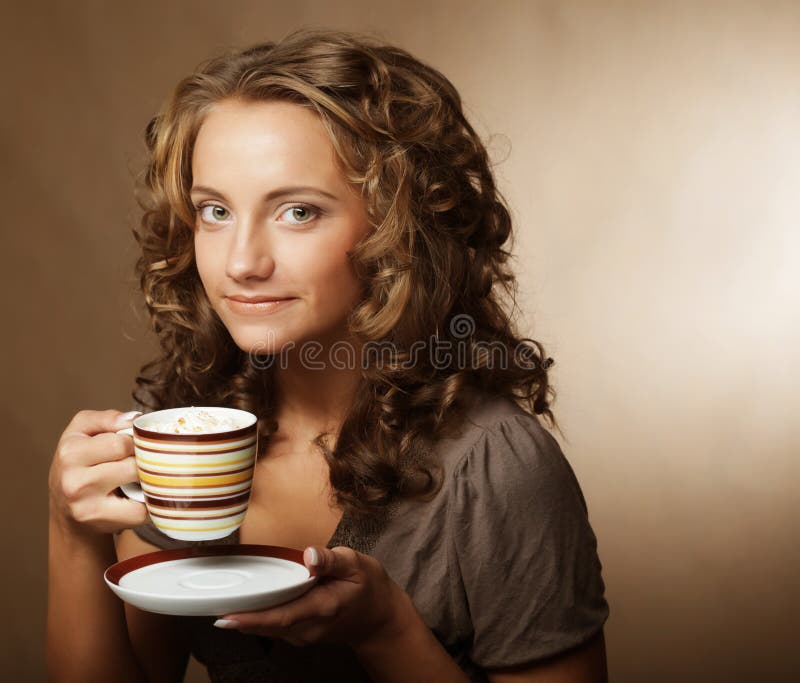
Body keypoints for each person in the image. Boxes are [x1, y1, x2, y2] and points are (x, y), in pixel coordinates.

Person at [47, 28, 609, 683]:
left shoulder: (495, 467)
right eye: (215, 211)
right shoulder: (182, 435)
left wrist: (387, 629)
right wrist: (72, 534)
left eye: (298, 212)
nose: (242, 263)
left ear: (399, 227)